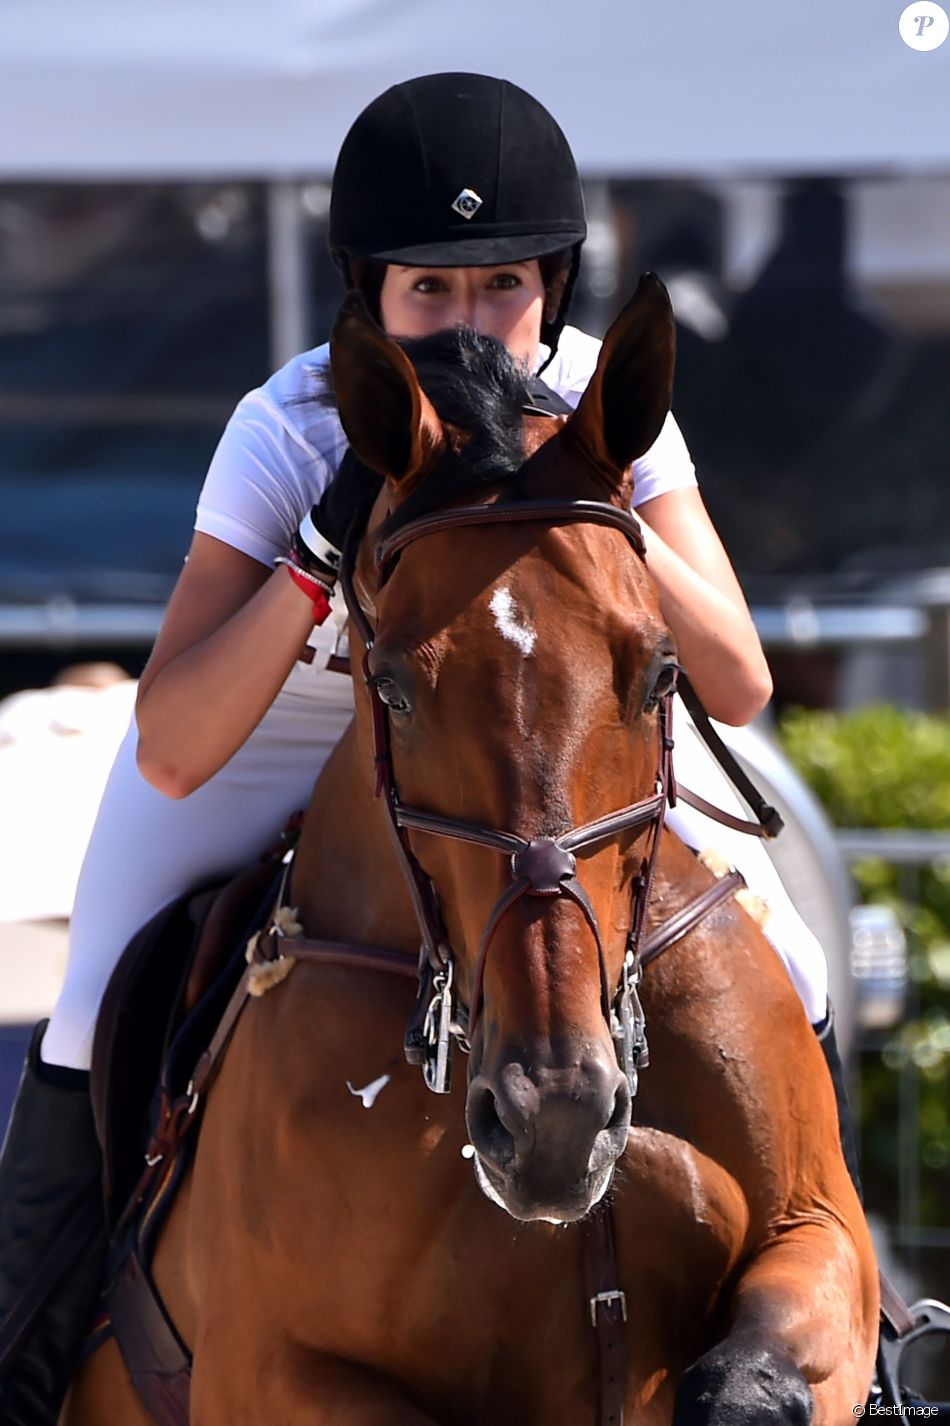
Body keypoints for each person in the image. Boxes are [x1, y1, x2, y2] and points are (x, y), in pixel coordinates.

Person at [0, 72, 848, 1425]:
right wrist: (316, 558)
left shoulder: (592, 402)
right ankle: (31, 1352)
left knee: (791, 952)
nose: (468, 321)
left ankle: (839, 1280)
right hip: (290, 720)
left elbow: (737, 682)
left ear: (554, 285)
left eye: (500, 284)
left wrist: (610, 503)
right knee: (100, 984)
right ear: (366, 292)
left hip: (532, 727)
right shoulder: (287, 427)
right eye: (426, 292)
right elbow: (169, 747)